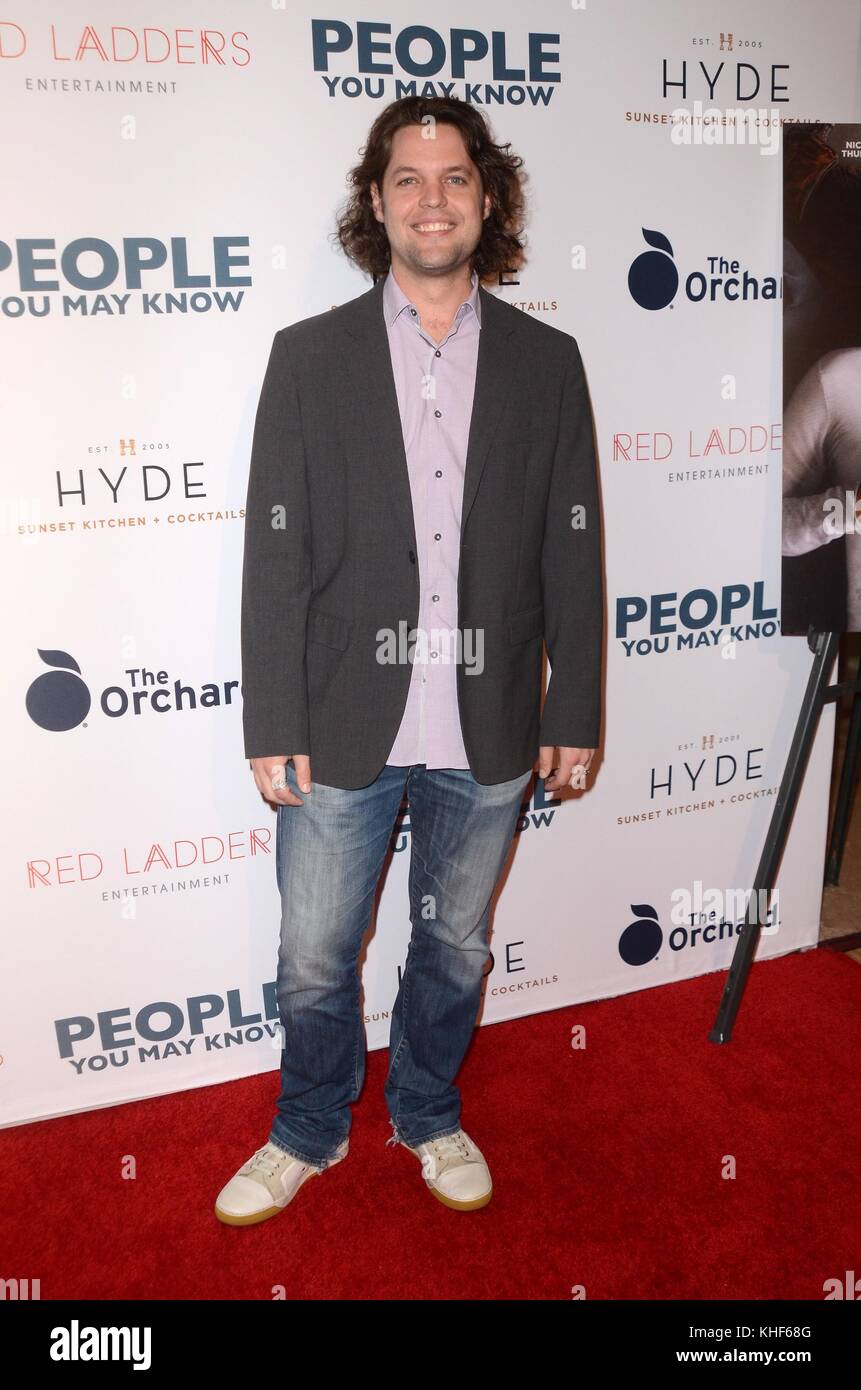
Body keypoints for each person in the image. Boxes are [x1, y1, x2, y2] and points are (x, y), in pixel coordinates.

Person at [215, 95, 604, 1226]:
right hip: (343, 715)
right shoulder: (308, 358)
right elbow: (273, 555)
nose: (432, 200)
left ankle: (429, 1110)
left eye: (455, 180)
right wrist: (271, 715)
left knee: (454, 944)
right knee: (314, 955)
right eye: (408, 180)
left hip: (486, 720)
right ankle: (308, 1124)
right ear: (375, 202)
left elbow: (572, 554)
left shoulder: (548, 361)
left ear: (488, 200)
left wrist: (570, 704)